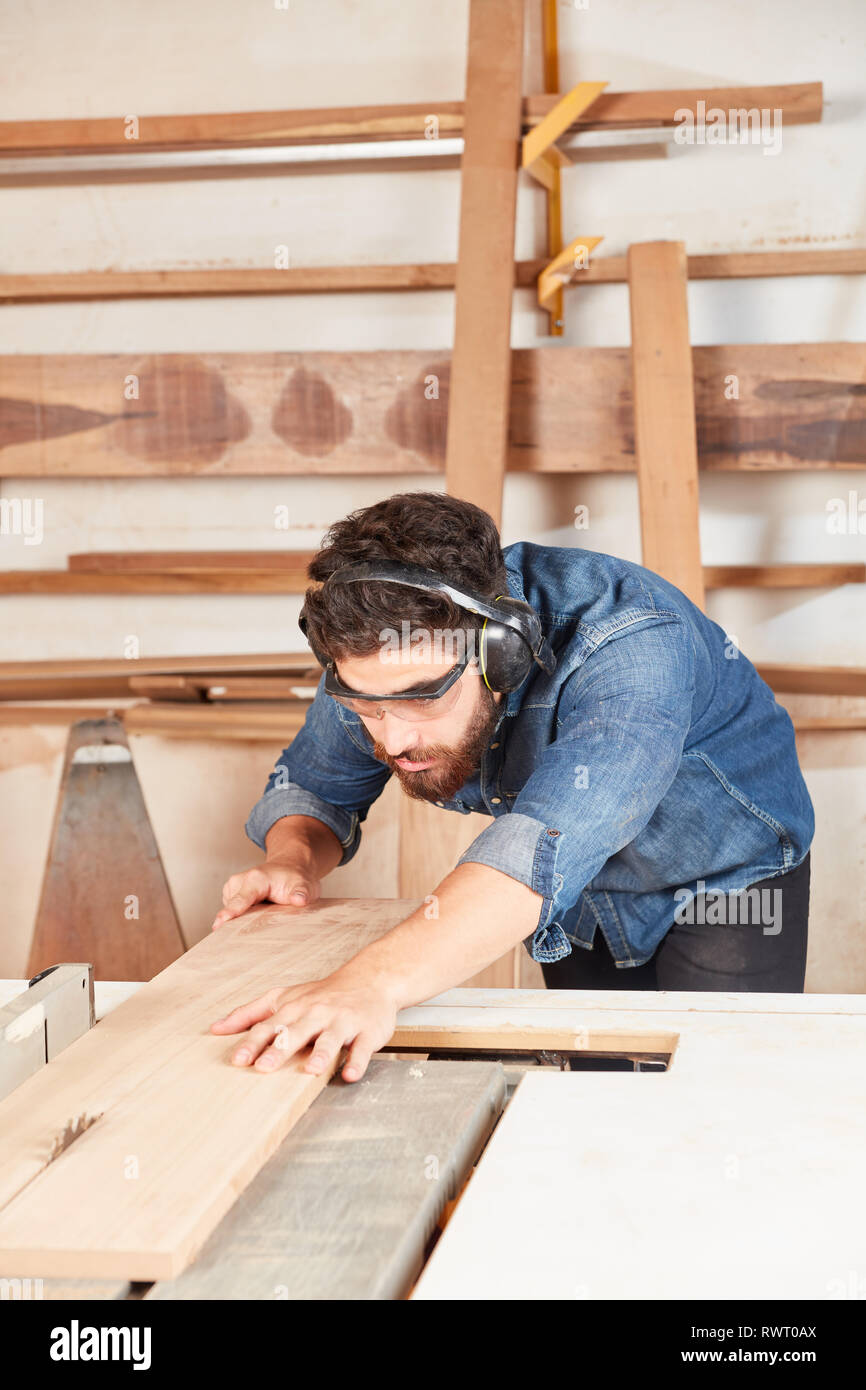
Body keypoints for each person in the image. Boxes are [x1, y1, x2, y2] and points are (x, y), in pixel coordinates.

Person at [210, 492, 813, 1081]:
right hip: (578, 894)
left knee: (720, 1091)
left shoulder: (632, 644)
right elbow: (318, 788)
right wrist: (293, 861)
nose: (391, 742)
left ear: (503, 654)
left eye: (422, 699)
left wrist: (368, 983)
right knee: (593, 1086)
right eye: (368, 708)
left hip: (723, 873)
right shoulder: (376, 660)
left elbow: (543, 844)